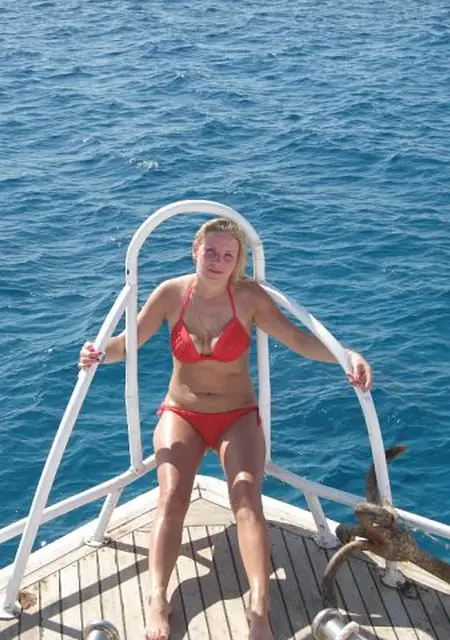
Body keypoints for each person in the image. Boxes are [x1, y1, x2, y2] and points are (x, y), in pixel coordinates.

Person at [79, 217, 372, 640]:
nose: (217, 261)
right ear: (195, 251)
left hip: (237, 415)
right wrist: (97, 353)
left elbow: (298, 339)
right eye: (211, 252)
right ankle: (158, 599)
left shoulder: (249, 298)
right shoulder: (171, 294)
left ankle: (259, 610)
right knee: (171, 496)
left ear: (237, 262)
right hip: (182, 413)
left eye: (227, 256)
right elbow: (128, 342)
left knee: (247, 496)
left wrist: (347, 355)